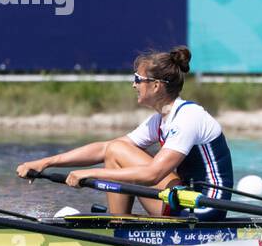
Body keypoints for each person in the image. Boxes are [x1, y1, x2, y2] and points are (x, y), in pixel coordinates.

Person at [16, 46, 234, 219]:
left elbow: (152, 175)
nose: (134, 85)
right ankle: (120, 222)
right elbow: (104, 149)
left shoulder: (188, 117)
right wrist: (45, 162)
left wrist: (92, 173)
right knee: (114, 149)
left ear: (156, 85)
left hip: (205, 208)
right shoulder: (160, 120)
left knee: (117, 150)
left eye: (138, 79)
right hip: (181, 200)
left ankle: (120, 224)